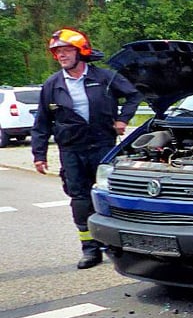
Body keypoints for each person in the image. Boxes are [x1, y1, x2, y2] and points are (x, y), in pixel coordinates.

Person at [31, 28, 143, 269]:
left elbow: (134, 95)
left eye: (66, 50)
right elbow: (42, 122)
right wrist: (38, 154)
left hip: (102, 146)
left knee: (109, 195)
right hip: (71, 150)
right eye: (57, 52)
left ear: (81, 51)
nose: (61, 55)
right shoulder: (52, 84)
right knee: (80, 200)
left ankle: (116, 245)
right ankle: (90, 249)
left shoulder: (104, 77)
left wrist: (123, 119)